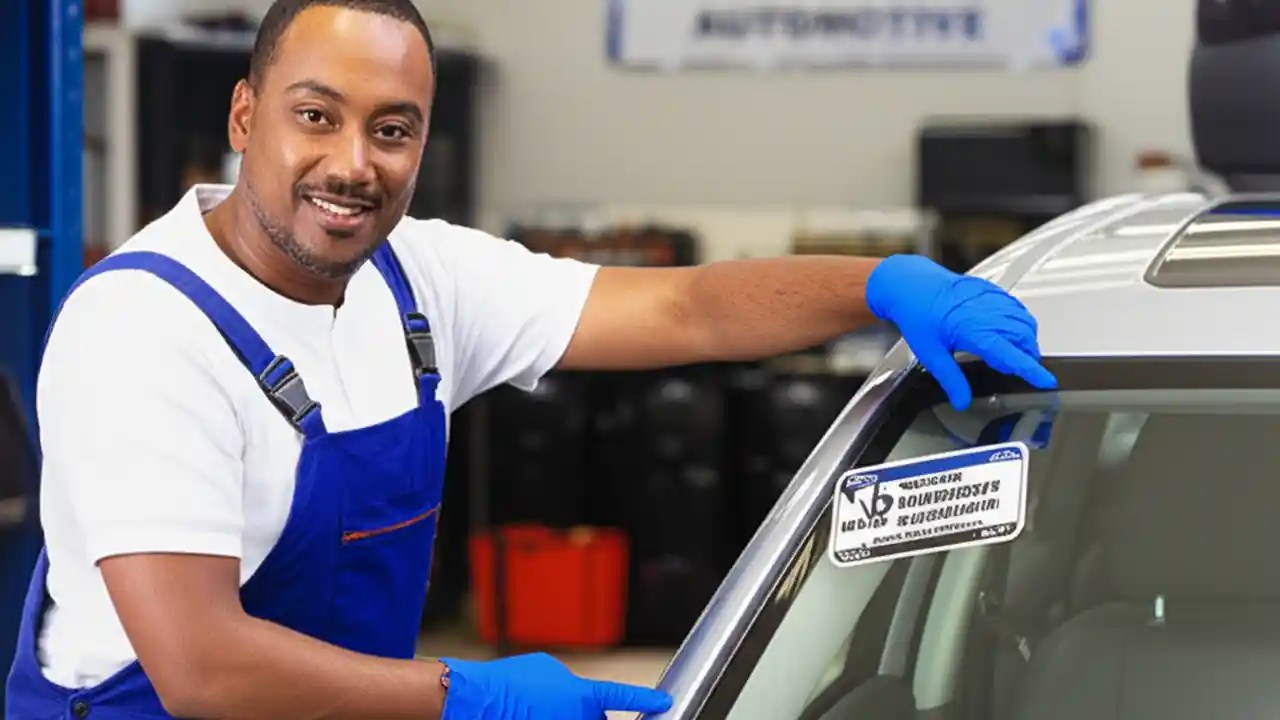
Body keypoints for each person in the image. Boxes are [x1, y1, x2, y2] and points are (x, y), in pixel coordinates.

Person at [4, 0, 1056, 718]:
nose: (352, 164)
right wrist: (474, 695)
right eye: (314, 117)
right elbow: (200, 670)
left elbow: (684, 310)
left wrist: (876, 286)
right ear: (245, 116)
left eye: (392, 130)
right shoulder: (144, 331)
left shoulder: (418, 280)